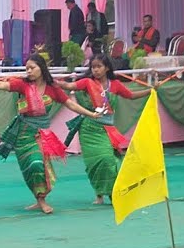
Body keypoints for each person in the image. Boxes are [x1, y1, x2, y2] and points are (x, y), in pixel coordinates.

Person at [0, 55, 100, 214]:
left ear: (41, 68)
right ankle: (38, 198)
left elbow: (70, 104)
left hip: (41, 135)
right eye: (27, 68)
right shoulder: (22, 84)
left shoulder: (52, 88)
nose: (29, 71)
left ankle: (41, 199)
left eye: (32, 67)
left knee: (38, 164)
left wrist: (89, 113)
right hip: (23, 135)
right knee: (30, 167)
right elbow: (0, 86)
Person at [59, 57, 152, 203]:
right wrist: (50, 81)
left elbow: (131, 96)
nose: (95, 70)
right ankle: (99, 194)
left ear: (107, 68)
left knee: (108, 160)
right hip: (88, 128)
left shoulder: (115, 85)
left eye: (99, 66)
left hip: (107, 129)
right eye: (93, 67)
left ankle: (113, 192)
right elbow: (68, 86)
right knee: (94, 162)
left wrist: (151, 90)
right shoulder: (87, 82)